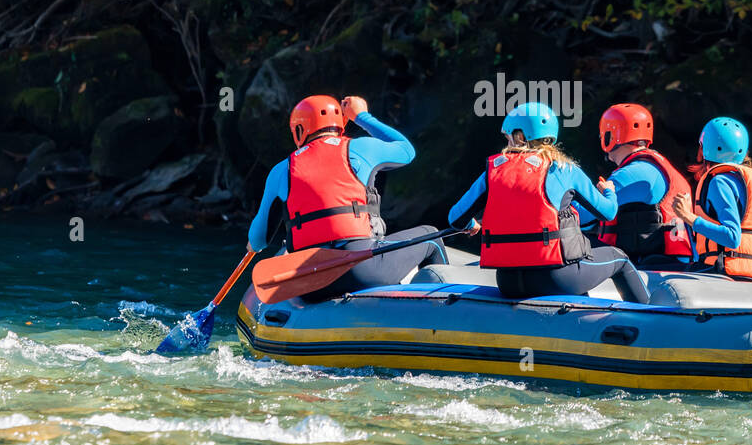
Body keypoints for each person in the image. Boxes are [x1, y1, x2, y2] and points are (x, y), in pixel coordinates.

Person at [246, 94, 447, 298]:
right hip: (363, 271)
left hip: (307, 284)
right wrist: (361, 116)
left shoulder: (281, 170)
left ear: (298, 131)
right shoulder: (360, 148)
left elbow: (258, 240)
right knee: (432, 236)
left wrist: (251, 245)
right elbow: (406, 150)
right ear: (340, 124)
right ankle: (449, 306)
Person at [448, 102, 649, 303]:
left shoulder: (493, 172)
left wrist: (471, 224)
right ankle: (648, 318)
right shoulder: (564, 169)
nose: (507, 141)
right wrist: (609, 192)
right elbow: (609, 212)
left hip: (508, 282)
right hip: (556, 279)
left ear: (519, 136)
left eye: (508, 136)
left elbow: (455, 218)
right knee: (620, 258)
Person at [580, 102, 695, 269]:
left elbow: (583, 214)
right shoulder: (651, 166)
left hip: (656, 264)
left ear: (609, 137)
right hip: (671, 261)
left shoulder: (636, 173)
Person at [670, 117, 752, 282]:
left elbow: (731, 237)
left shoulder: (720, 181)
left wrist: (688, 217)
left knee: (656, 265)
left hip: (724, 272)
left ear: (706, 148)